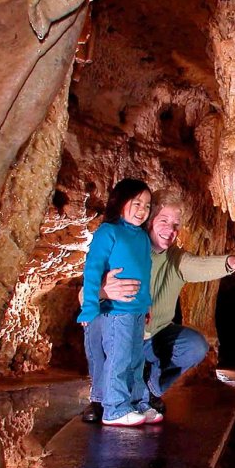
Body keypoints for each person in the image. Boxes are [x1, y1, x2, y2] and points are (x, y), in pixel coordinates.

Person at [82, 188, 235, 423]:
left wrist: (231, 262)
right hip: (118, 333)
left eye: (176, 224)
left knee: (195, 345)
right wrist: (103, 291)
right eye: (164, 220)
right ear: (150, 219)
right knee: (94, 321)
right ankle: (100, 398)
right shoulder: (126, 246)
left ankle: (150, 391)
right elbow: (84, 295)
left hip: (153, 336)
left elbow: (199, 265)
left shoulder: (175, 259)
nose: (171, 229)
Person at [77, 179, 160, 427]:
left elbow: (144, 274)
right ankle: (114, 408)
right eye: (136, 203)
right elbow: (92, 270)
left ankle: (137, 403)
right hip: (115, 311)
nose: (142, 210)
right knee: (119, 359)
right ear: (120, 202)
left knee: (136, 360)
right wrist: (89, 308)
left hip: (135, 310)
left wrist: (146, 305)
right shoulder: (108, 231)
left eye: (147, 205)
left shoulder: (143, 239)